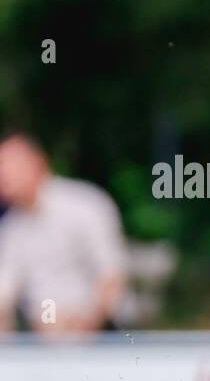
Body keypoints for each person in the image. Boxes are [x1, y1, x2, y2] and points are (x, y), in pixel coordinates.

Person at [0, 132, 128, 334]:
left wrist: (84, 326)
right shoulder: (11, 228)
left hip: (101, 338)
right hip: (42, 340)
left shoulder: (85, 205)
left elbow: (111, 277)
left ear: (38, 163)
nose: (3, 175)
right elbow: (4, 294)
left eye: (8, 166)